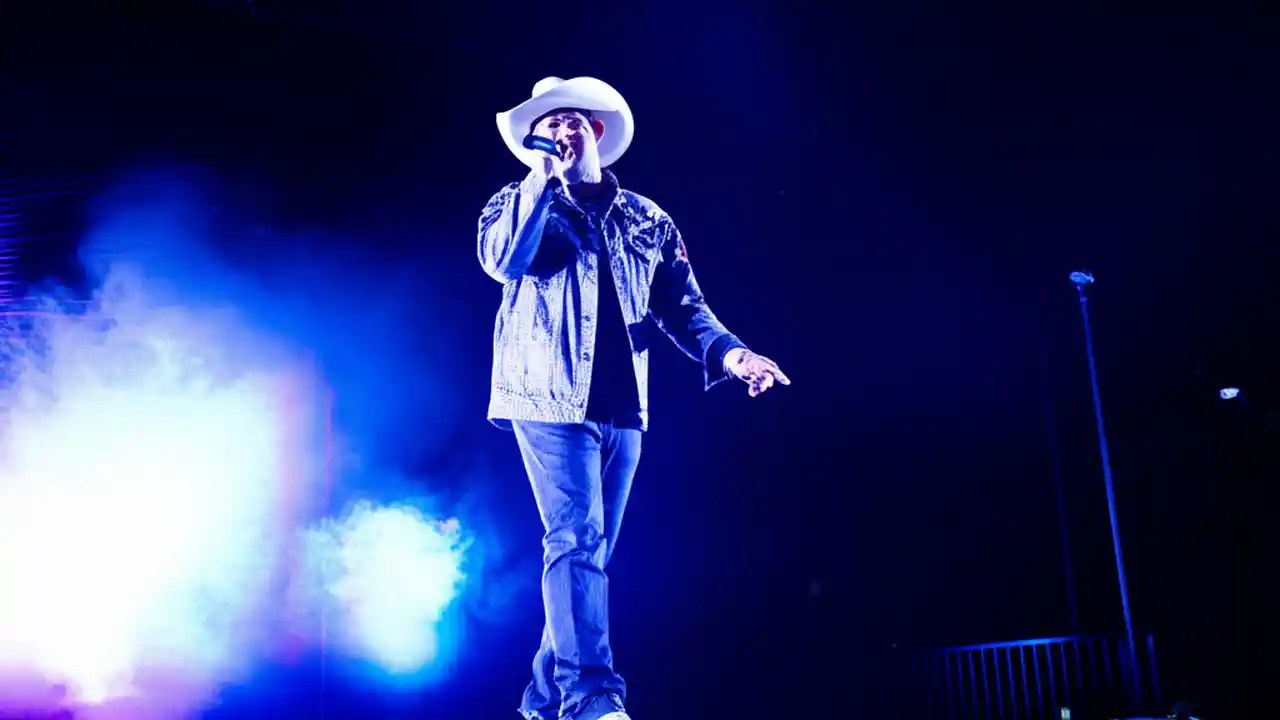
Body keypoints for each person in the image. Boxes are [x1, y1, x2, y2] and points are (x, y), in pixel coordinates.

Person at [477, 76, 790, 720]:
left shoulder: (647, 219)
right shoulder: (514, 204)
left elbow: (684, 305)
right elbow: (505, 260)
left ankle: (542, 701)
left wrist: (734, 355)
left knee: (588, 554)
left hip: (624, 409)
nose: (557, 134)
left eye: (567, 122)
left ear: (594, 130)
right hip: (545, 398)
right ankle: (592, 698)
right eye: (544, 127)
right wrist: (540, 178)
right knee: (574, 539)